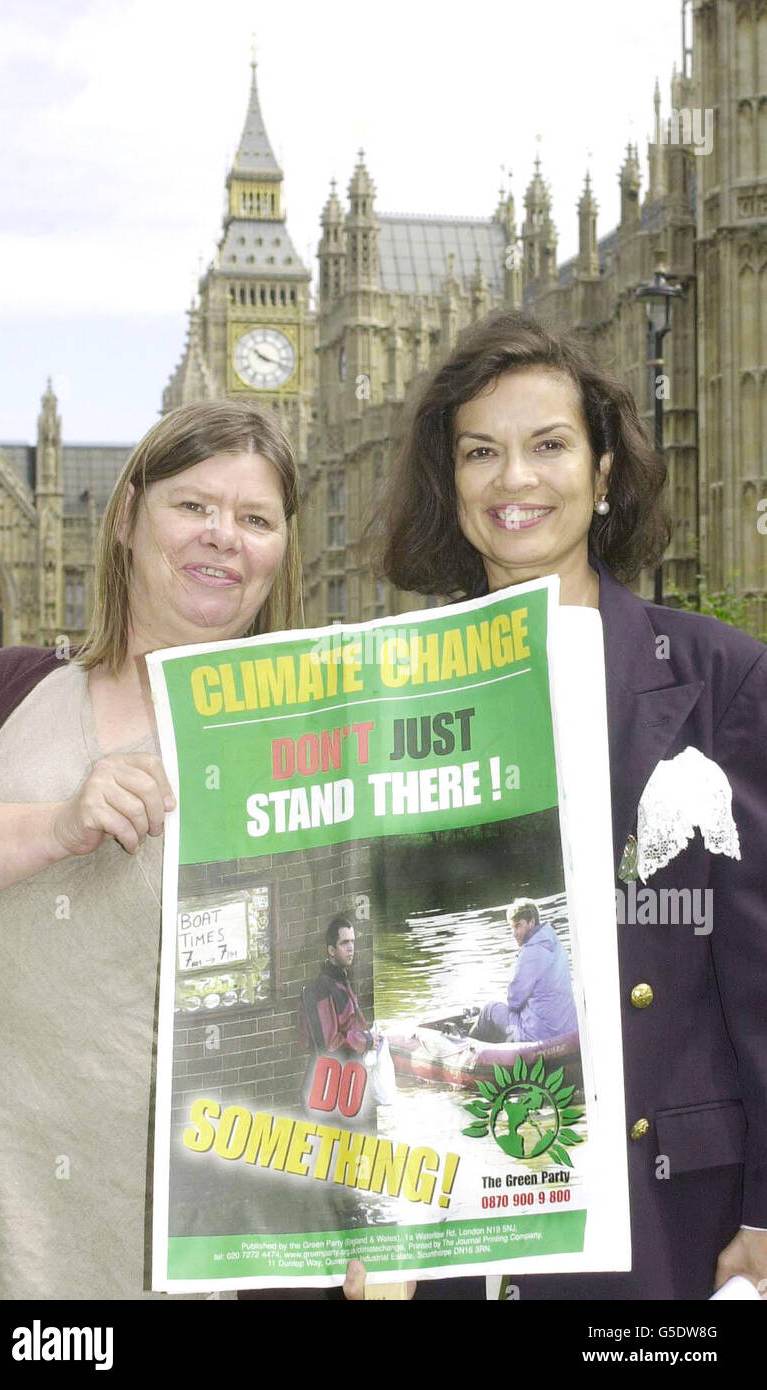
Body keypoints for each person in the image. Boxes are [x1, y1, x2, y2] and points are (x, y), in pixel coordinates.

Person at [372, 308, 767, 1301]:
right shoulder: (381, 690)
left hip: (662, 1223)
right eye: (480, 453)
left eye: (548, 446)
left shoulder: (719, 679)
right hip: (448, 1226)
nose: (514, 481)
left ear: (601, 475)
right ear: (447, 484)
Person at [0, 400, 304, 1300]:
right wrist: (56, 825)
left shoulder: (318, 741)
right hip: (7, 1239)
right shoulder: (3, 693)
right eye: (192, 505)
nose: (223, 537)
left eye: (255, 519)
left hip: (228, 1249)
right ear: (124, 518)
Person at [471, 898, 578, 1044]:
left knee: (489, 1009)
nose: (514, 933)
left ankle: (466, 1047)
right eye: (512, 928)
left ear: (531, 922)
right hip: (567, 1029)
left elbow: (514, 1001)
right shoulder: (556, 944)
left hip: (538, 1035)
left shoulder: (530, 952)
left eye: (518, 926)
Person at [302, 915, 378, 1057]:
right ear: (331, 950)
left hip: (355, 1061)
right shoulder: (324, 989)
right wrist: (366, 1040)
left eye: (352, 942)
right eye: (344, 943)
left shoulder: (341, 979)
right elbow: (331, 1043)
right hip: (342, 1069)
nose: (351, 948)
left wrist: (368, 1038)